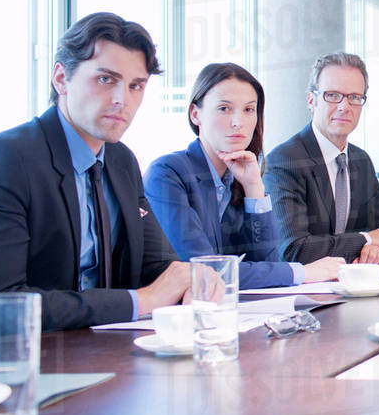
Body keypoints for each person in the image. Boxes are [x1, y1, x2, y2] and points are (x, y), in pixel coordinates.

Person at [0, 13, 191, 331]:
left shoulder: (122, 161)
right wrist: (140, 302)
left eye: (135, 86)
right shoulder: (1, 161)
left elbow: (157, 268)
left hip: (112, 355)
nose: (122, 100)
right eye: (105, 79)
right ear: (61, 78)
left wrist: (193, 280)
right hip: (36, 364)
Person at [144, 63, 345, 288]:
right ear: (195, 114)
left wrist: (254, 189)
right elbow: (206, 271)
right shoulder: (166, 174)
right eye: (224, 108)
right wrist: (301, 273)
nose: (238, 122)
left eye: (249, 110)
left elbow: (266, 261)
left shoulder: (239, 177)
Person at [264, 52, 379, 265]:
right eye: (333, 95)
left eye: (354, 97)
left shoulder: (360, 160)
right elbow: (293, 250)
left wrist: (373, 249)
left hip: (352, 288)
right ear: (312, 100)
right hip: (302, 295)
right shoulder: (285, 161)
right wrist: (367, 239)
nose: (344, 107)